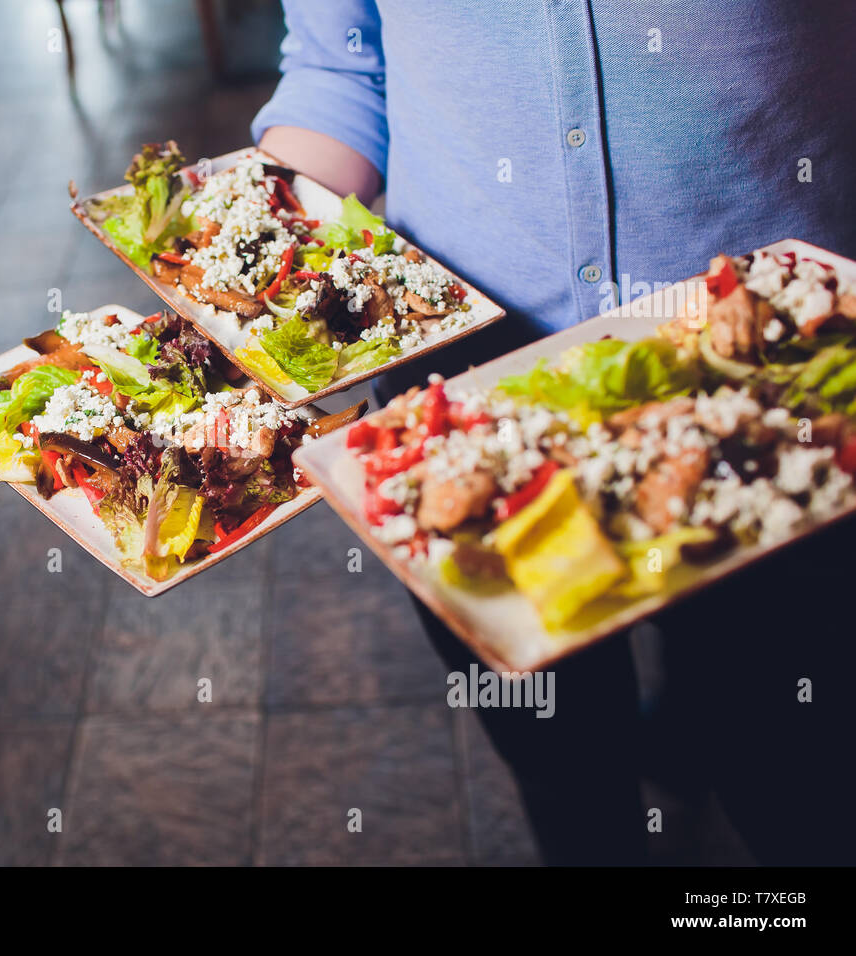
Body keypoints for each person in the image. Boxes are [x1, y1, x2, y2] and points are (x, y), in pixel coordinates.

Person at [253, 0, 856, 864]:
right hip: (464, 386)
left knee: (801, 783)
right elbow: (342, 68)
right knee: (562, 763)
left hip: (789, 364)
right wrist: (249, 238)